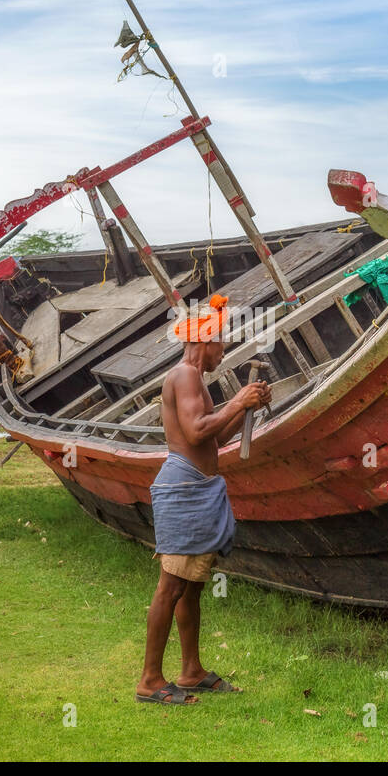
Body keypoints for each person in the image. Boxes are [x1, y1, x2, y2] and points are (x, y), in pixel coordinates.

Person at [135, 294, 271, 705]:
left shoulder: (192, 380)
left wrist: (247, 409)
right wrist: (236, 401)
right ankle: (150, 681)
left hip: (195, 486)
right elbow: (195, 432)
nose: (224, 349)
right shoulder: (185, 376)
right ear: (205, 339)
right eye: (222, 340)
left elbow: (215, 438)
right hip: (184, 488)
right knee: (170, 587)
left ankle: (191, 671)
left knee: (190, 587)